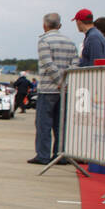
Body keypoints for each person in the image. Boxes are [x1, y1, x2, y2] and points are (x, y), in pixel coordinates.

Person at [30, 12, 78, 164]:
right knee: (60, 124)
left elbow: (47, 63)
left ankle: (43, 155)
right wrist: (66, 81)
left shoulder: (44, 41)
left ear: (44, 25)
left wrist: (59, 80)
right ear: (60, 26)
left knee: (43, 123)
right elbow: (75, 64)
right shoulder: (70, 42)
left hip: (47, 88)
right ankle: (59, 155)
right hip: (65, 90)